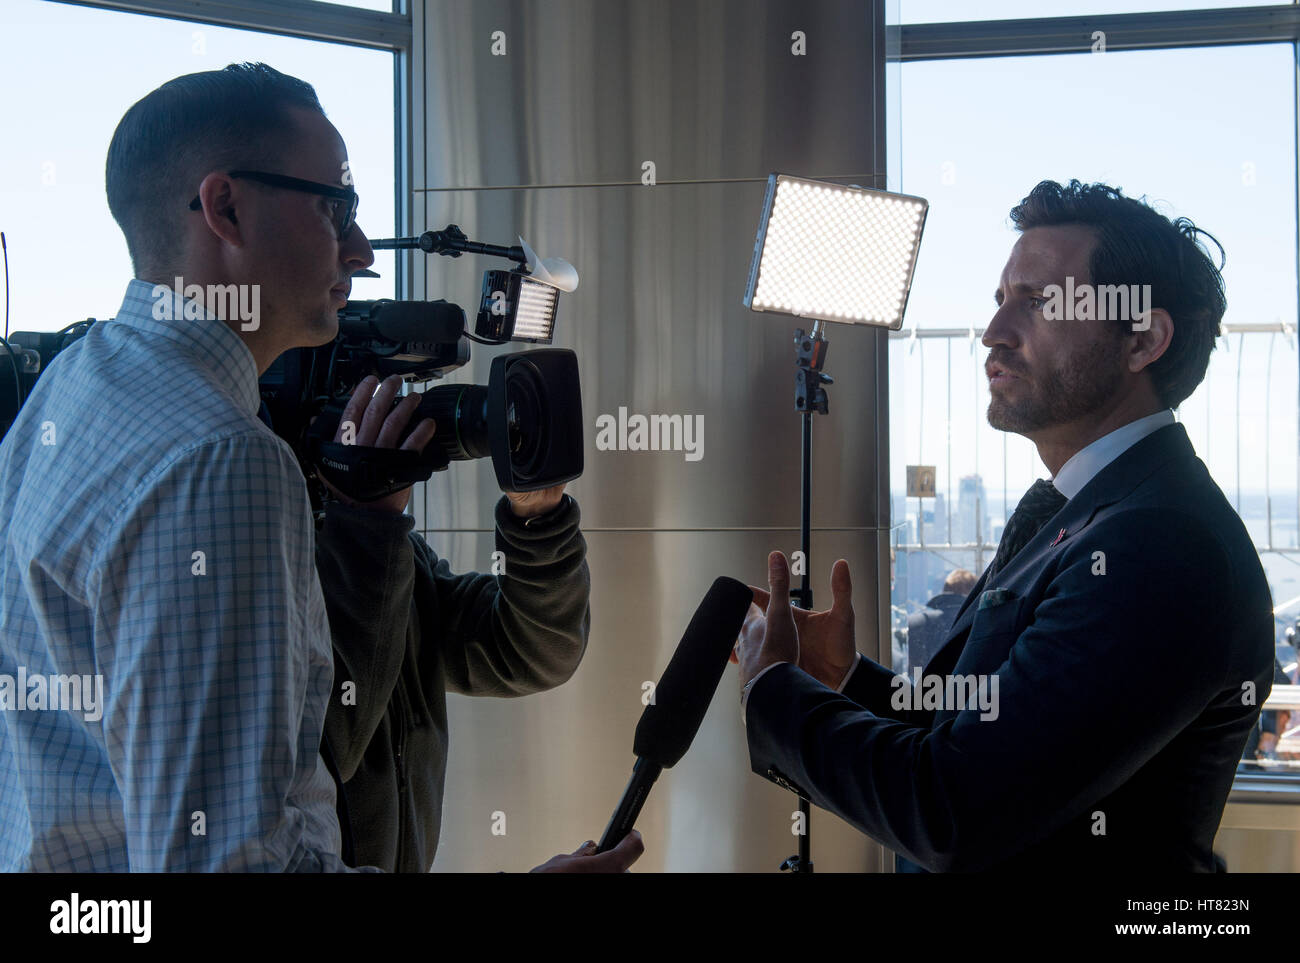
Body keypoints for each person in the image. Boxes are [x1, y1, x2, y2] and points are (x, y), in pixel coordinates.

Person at [0, 62, 639, 873]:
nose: (361, 249)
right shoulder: (223, 461)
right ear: (224, 206)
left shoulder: (69, 389)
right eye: (336, 206)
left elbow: (524, 645)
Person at [734, 179, 1275, 872]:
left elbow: (955, 808)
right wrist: (844, 681)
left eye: (1039, 301)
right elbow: (976, 733)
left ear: (1143, 338)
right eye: (999, 301)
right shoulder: (1079, 510)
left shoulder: (1161, 545)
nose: (993, 332)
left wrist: (774, 691)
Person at [906, 568, 977, 673]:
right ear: (973, 592)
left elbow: (914, 670)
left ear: (945, 589)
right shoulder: (976, 622)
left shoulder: (916, 622)